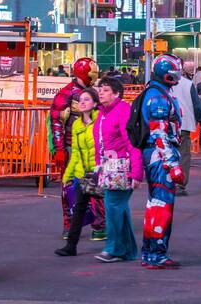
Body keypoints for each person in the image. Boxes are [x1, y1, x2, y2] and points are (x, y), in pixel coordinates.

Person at [140, 55, 187, 269]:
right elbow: (159, 133)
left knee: (156, 205)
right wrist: (173, 165)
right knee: (162, 206)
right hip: (160, 157)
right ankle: (156, 253)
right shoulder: (158, 96)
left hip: (156, 156)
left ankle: (150, 252)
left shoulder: (159, 92)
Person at [92, 76, 142, 261]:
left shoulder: (123, 111)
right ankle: (127, 250)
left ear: (116, 93)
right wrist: (98, 165)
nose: (100, 93)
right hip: (108, 167)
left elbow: (132, 143)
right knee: (119, 207)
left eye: (105, 90)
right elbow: (100, 142)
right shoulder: (102, 112)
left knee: (113, 206)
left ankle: (114, 248)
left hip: (122, 166)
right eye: (100, 89)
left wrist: (136, 171)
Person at [50, 57, 97, 236]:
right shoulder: (66, 94)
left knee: (95, 187)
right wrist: (59, 148)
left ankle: (98, 225)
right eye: (91, 74)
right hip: (72, 148)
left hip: (91, 148)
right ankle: (68, 224)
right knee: (68, 187)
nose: (93, 77)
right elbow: (56, 122)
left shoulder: (93, 92)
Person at [56, 87, 101, 257]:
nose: (82, 103)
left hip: (99, 172)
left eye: (87, 99)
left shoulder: (100, 121)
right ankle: (71, 245)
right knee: (79, 208)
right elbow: (75, 152)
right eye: (80, 100)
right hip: (82, 174)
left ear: (95, 103)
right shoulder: (75, 124)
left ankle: (119, 243)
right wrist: (68, 175)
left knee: (111, 208)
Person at [170, 59, 201, 195]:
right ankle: (180, 185)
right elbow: (197, 106)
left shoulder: (158, 84)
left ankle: (165, 183)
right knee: (183, 155)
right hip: (183, 125)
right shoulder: (188, 84)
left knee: (165, 154)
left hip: (163, 125)